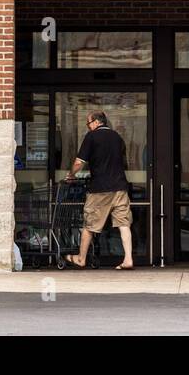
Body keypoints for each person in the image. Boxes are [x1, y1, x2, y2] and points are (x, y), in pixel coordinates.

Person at [64, 110, 134, 270]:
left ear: (96, 122)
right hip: (120, 187)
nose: (88, 127)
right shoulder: (117, 137)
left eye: (88, 123)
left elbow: (79, 162)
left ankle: (81, 258)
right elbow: (123, 162)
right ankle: (128, 259)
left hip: (100, 189)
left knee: (90, 224)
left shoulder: (92, 137)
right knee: (123, 223)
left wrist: (71, 174)